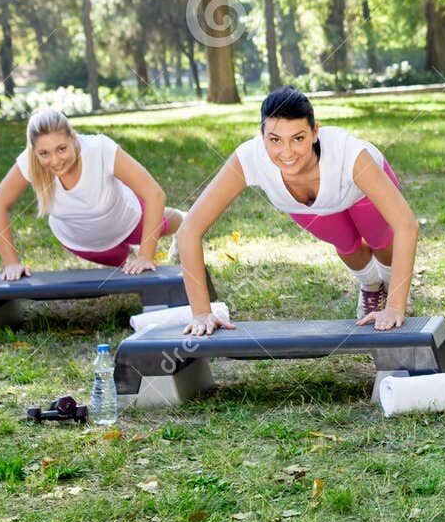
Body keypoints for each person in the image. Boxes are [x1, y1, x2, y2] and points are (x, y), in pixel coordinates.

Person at [175, 86, 419, 336]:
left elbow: (406, 225)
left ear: (315, 132)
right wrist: (201, 313)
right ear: (262, 136)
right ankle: (371, 285)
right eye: (275, 140)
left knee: (379, 241)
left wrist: (395, 307)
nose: (287, 152)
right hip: (310, 206)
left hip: (361, 193)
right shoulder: (249, 157)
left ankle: (391, 290)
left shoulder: (348, 153)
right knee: (348, 246)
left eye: (298, 138)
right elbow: (189, 230)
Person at [0, 109, 182, 278]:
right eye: (44, 153)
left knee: (161, 224)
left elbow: (155, 194)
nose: (55, 161)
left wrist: (146, 256)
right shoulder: (29, 162)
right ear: (35, 151)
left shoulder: (100, 148)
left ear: (74, 137)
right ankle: (131, 253)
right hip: (87, 245)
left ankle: (183, 221)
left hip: (126, 218)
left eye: (61, 149)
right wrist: (11, 262)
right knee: (131, 268)